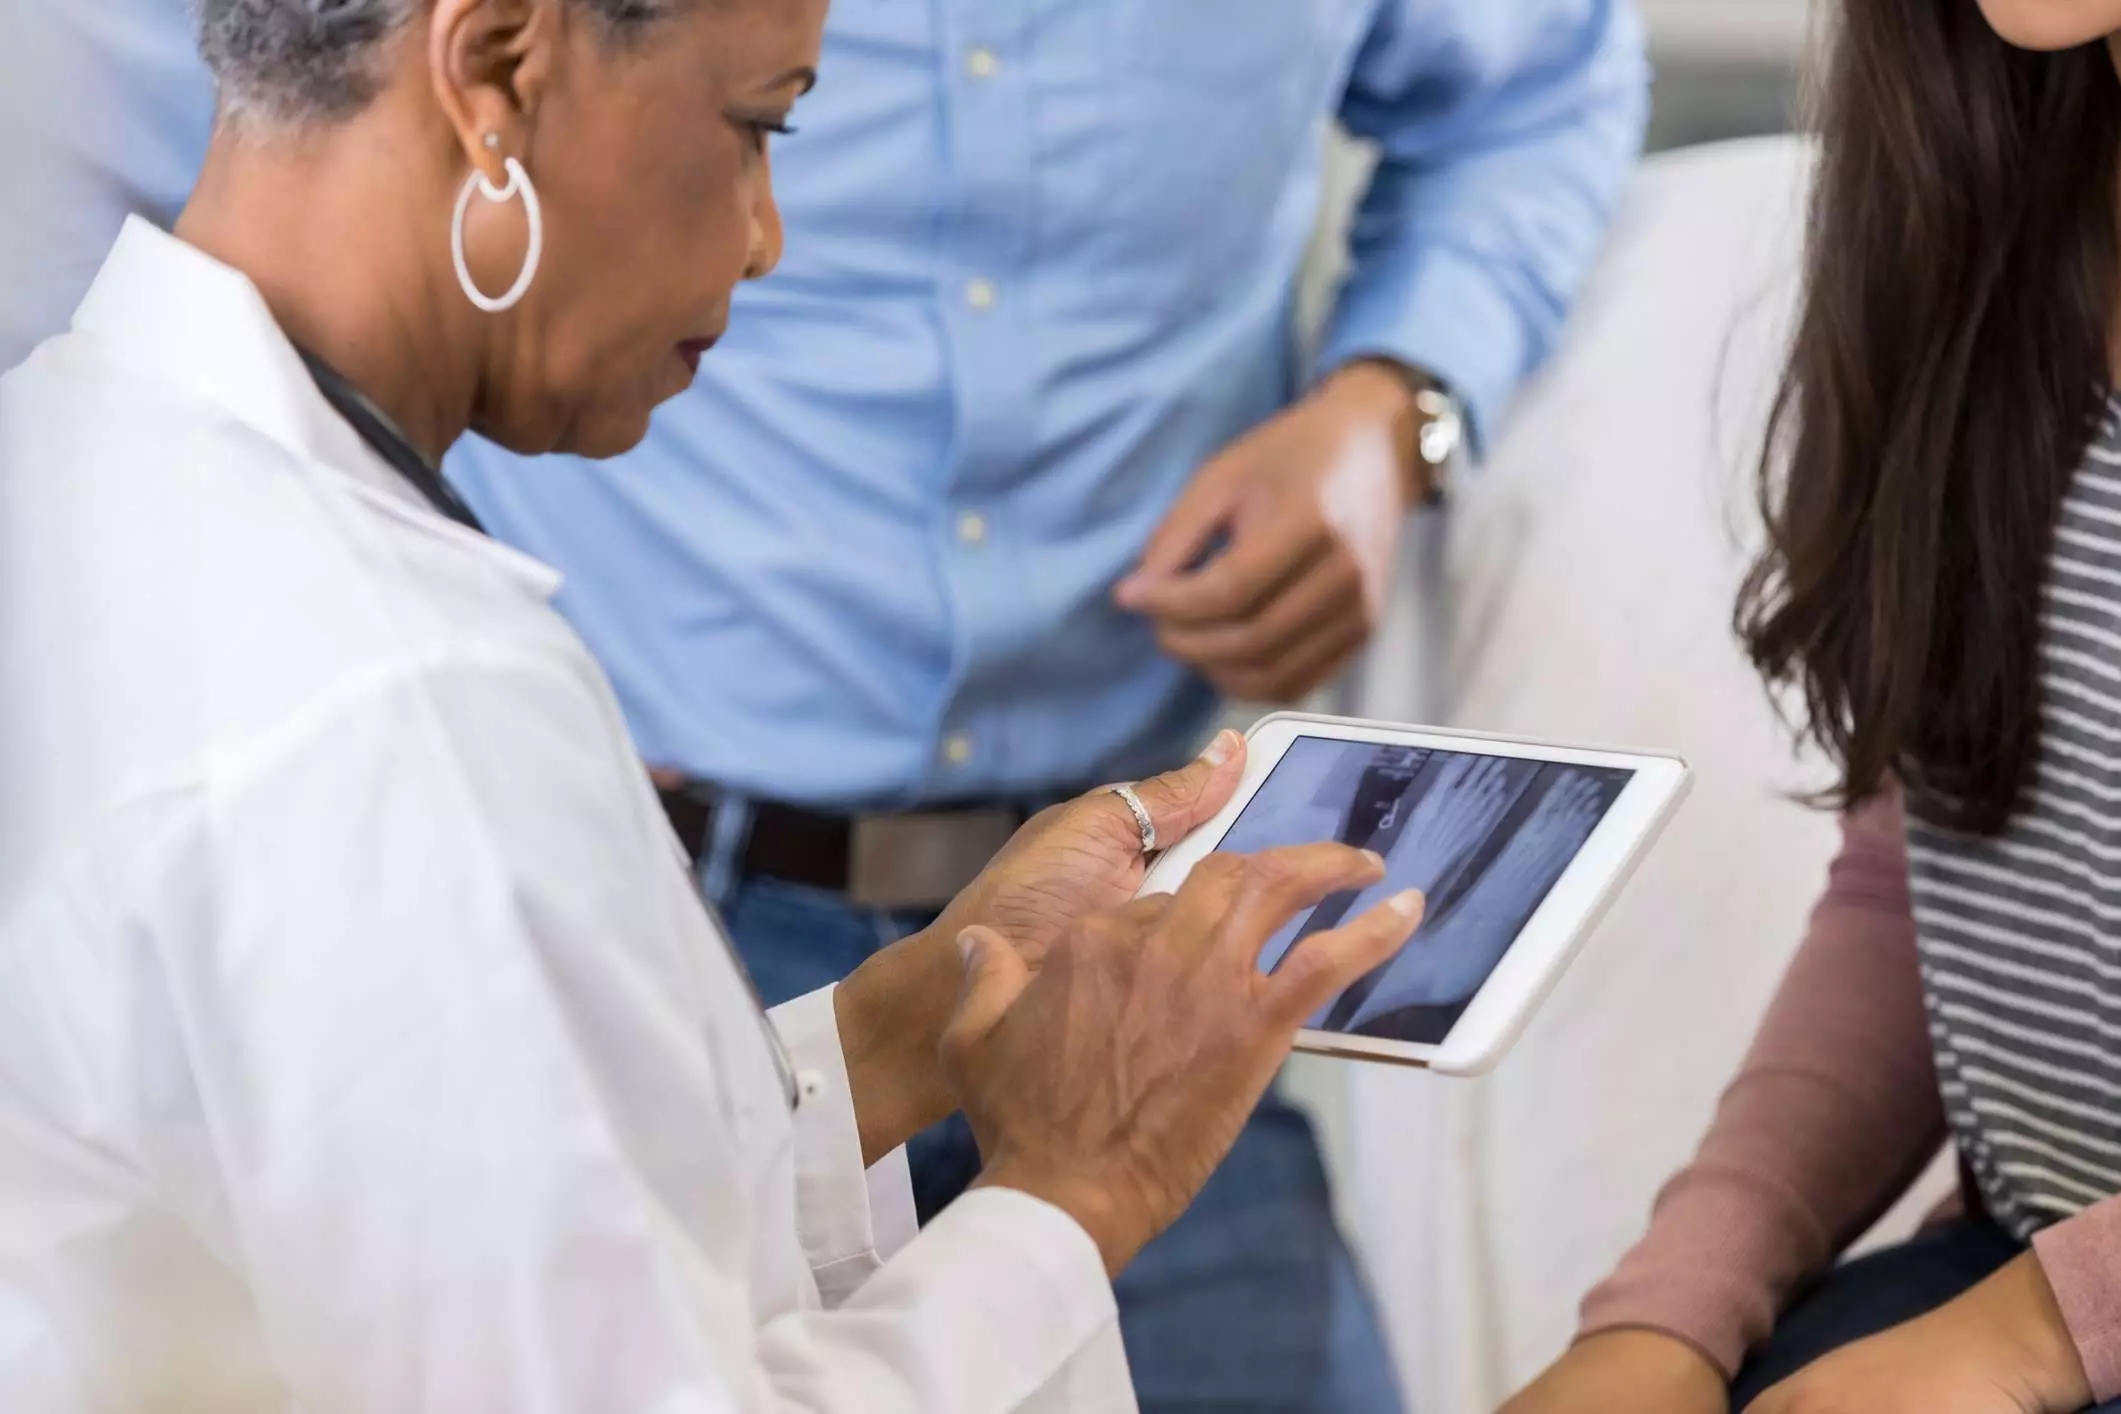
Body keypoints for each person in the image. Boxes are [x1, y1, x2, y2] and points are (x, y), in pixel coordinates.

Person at [0, 3, 1649, 1406]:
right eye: (754, 123)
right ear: (495, 63)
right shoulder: (409, 712)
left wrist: (903, 1025)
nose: (768, 238)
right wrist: (1086, 1188)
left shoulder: (88, 460)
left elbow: (508, 1235)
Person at [1499, 2, 2121, 1411]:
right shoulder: (1996, 239)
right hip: (2023, 1263)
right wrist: (1666, 1315)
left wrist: (2037, 1330)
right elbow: (1927, 888)